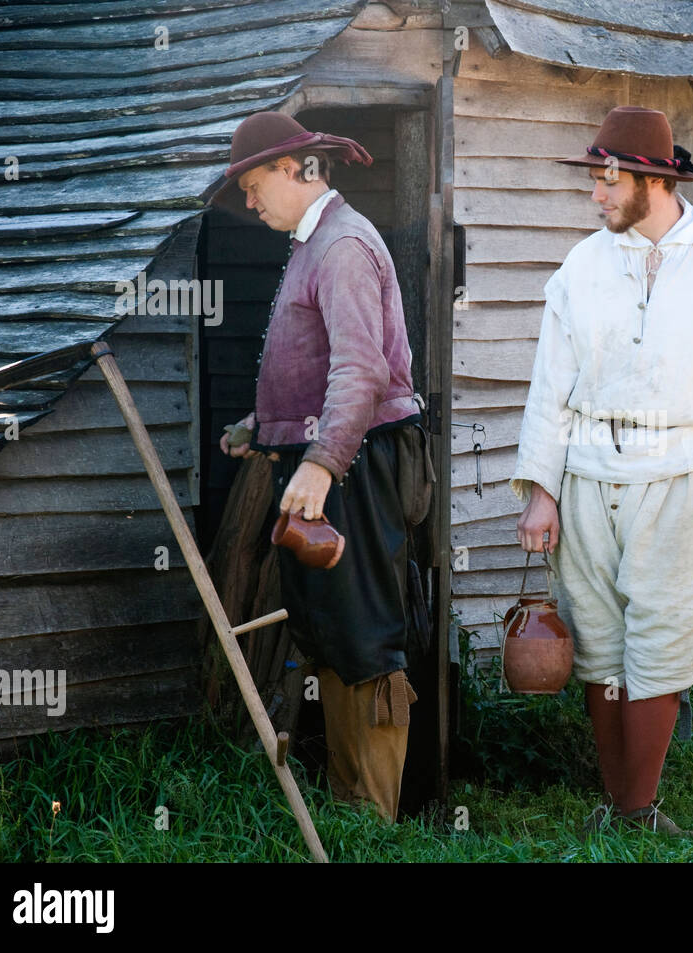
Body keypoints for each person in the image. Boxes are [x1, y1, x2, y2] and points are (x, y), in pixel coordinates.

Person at [511, 106, 693, 836]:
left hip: (689, 479)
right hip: (589, 479)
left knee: (660, 644)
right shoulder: (581, 267)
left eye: (607, 181)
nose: (597, 196)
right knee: (600, 646)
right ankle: (624, 805)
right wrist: (542, 492)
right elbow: (551, 384)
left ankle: (637, 810)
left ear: (649, 180)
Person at [207, 111, 422, 822]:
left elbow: (361, 371)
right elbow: (314, 366)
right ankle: (350, 804)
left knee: (363, 637)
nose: (248, 199)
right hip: (333, 458)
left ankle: (378, 819)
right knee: (330, 633)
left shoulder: (343, 245)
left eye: (253, 181)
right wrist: (260, 427)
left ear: (300, 169)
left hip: (361, 461)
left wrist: (325, 463)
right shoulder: (312, 243)